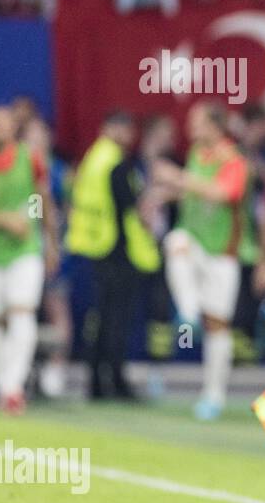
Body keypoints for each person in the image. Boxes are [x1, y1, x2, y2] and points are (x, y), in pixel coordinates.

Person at [154, 101, 253, 420]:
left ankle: (213, 394)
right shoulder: (197, 155)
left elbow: (223, 194)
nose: (191, 129)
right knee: (175, 242)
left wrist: (178, 179)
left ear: (215, 126)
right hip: (195, 240)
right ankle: (186, 311)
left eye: (197, 124)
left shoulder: (234, 159)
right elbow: (197, 192)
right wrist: (167, 194)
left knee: (218, 325)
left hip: (222, 252)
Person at [65, 112, 161, 399]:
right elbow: (129, 206)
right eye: (124, 128)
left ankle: (97, 382)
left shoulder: (93, 158)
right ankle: (114, 381)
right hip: (116, 249)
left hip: (96, 246)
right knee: (115, 319)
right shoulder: (115, 162)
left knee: (102, 317)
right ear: (111, 129)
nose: (128, 135)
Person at [0, 104, 58, 413]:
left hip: (24, 250)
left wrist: (49, 240)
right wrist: (5, 220)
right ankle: (4, 384)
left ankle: (13, 387)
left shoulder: (30, 159)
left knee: (22, 313)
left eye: (6, 123)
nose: (0, 128)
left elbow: (38, 199)